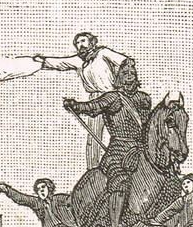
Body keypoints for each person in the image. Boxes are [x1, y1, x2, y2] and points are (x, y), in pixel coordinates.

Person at [64, 57, 151, 227]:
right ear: (119, 78)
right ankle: (115, 224)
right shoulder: (112, 98)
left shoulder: (144, 99)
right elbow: (93, 107)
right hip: (118, 151)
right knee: (119, 181)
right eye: (125, 74)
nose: (129, 77)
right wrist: (76, 106)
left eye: (132, 74)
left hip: (141, 149)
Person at [35, 32, 129, 167]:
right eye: (78, 43)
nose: (81, 45)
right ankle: (94, 169)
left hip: (113, 97)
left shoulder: (103, 53)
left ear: (92, 42)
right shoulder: (81, 60)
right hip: (95, 99)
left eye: (83, 41)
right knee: (94, 136)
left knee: (120, 133)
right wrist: (43, 61)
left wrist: (122, 84)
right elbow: (61, 62)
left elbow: (125, 62)